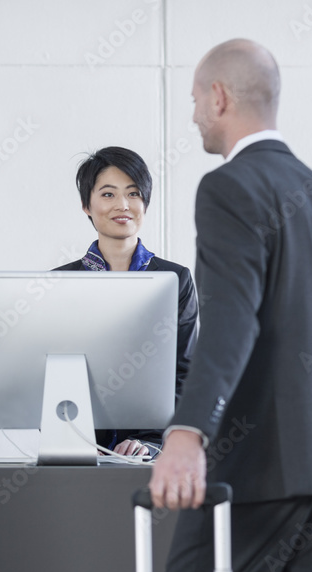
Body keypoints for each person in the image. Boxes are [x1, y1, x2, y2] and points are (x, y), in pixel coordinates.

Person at [149, 39, 312, 572]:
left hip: (255, 470)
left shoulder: (228, 188)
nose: (194, 115)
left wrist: (187, 433)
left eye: (196, 100)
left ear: (220, 97)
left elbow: (230, 322)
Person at [55, 146, 198, 458]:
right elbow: (49, 374)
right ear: (86, 205)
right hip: (76, 443)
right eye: (108, 194)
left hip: (150, 448)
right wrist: (70, 438)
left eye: (133, 193)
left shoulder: (174, 279)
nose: (123, 205)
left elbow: (185, 373)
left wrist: (152, 442)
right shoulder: (59, 283)